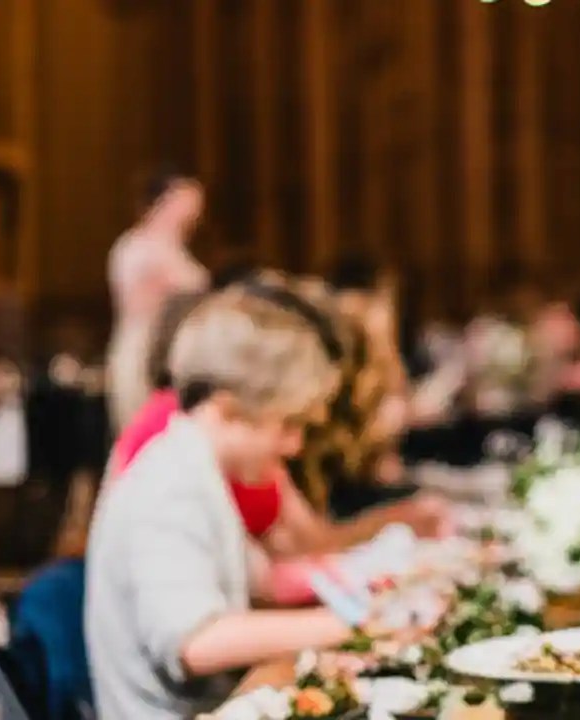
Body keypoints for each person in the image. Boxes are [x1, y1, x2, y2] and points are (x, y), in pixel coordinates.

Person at [86, 287, 359, 719]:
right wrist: (351, 627)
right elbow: (196, 641)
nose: (294, 445)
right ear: (229, 408)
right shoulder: (170, 487)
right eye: (288, 424)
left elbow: (261, 587)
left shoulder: (199, 470)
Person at [105, 170, 209, 430]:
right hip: (146, 350)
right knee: (144, 429)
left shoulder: (177, 249)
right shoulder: (137, 247)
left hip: (178, 353)